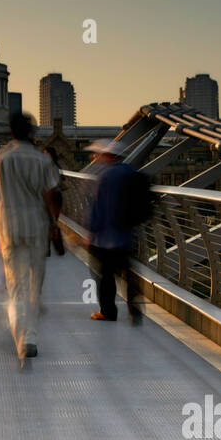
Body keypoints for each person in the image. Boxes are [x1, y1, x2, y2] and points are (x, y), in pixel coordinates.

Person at [0, 113, 61, 361]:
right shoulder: (42, 160)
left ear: (11, 132)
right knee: (35, 285)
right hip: (37, 226)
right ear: (31, 132)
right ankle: (30, 337)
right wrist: (54, 225)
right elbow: (52, 195)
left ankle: (20, 336)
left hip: (9, 226)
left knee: (16, 286)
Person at [86, 139, 143, 325]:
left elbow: (98, 208)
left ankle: (108, 312)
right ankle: (135, 310)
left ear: (106, 156)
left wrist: (91, 232)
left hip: (106, 238)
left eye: (97, 154)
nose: (95, 157)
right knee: (128, 274)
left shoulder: (105, 176)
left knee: (106, 277)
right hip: (126, 235)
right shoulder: (130, 172)